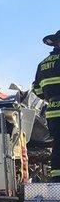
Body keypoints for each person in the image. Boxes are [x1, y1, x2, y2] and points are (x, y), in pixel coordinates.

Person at [34, 30, 60, 180]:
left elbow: (37, 89)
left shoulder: (42, 64)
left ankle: (57, 178)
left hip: (52, 111)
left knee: (57, 144)